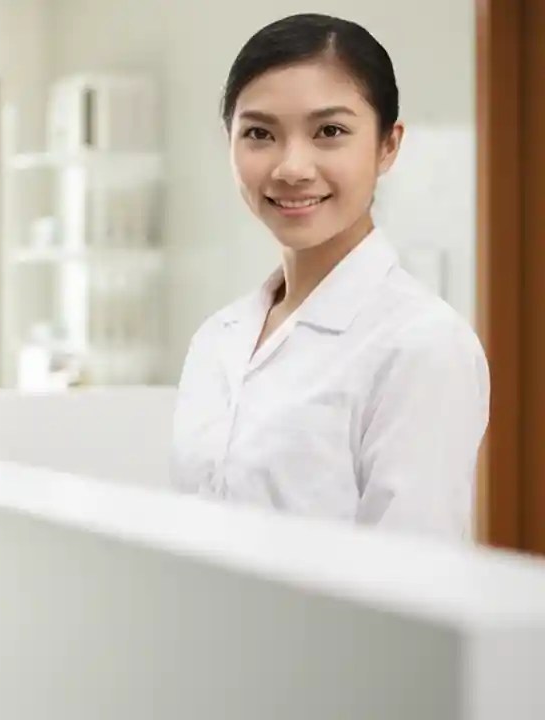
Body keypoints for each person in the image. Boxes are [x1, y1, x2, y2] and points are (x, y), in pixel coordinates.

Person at [170, 13, 489, 540]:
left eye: (330, 132)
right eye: (259, 133)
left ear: (388, 145)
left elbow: (412, 574)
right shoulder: (216, 339)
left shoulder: (423, 346)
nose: (292, 168)